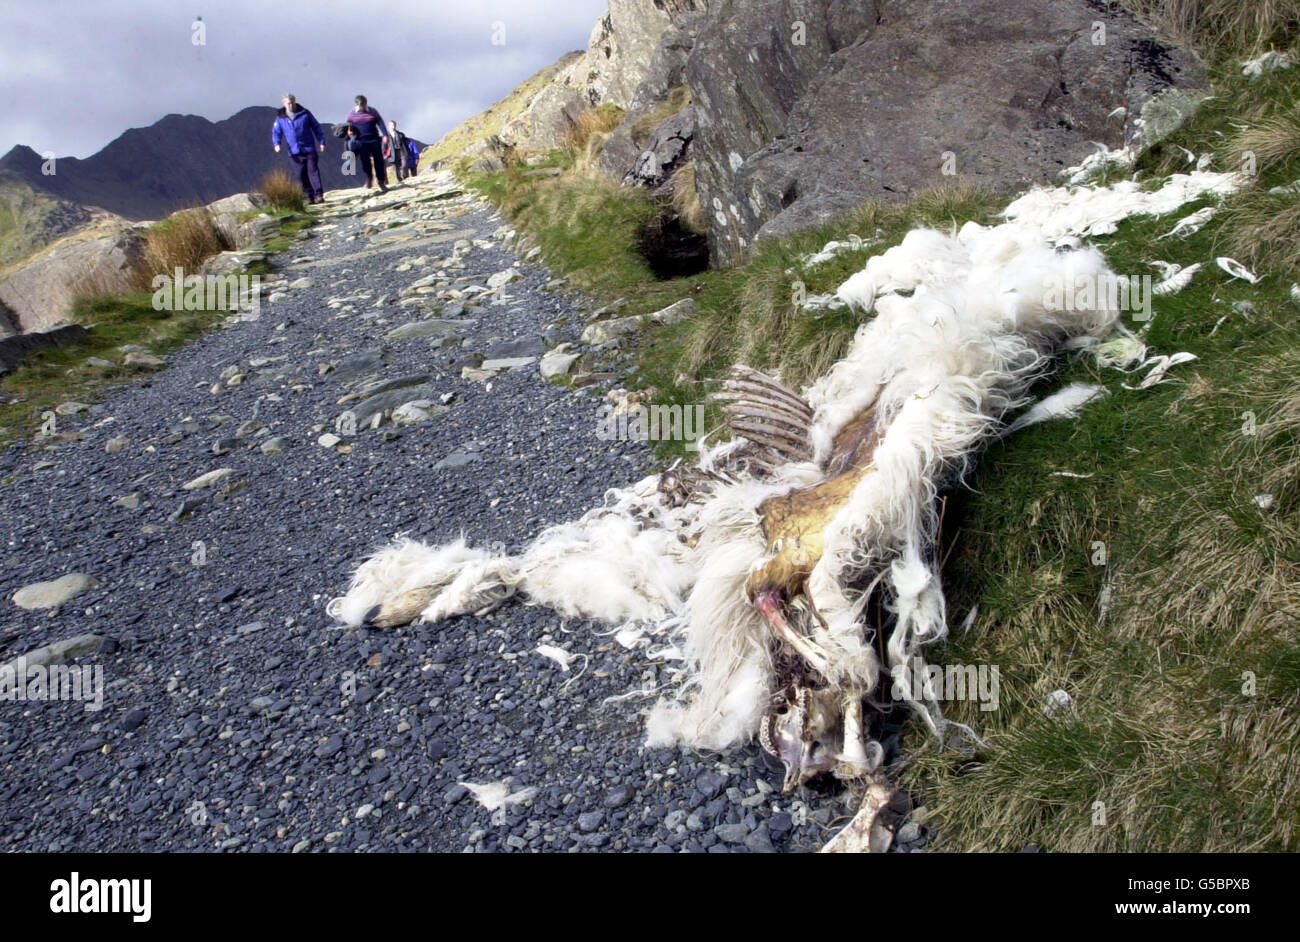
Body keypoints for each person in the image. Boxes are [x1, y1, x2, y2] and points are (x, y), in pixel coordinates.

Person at [271, 94, 326, 204]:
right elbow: (276, 132)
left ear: (295, 102)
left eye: (292, 102)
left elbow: (316, 127)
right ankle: (309, 197)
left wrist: (321, 141)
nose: (291, 105)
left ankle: (318, 195)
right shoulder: (280, 118)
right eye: (288, 103)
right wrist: (277, 144)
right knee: (301, 174)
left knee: (313, 171)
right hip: (294, 151)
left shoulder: (305, 113)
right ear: (284, 104)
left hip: (309, 148)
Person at [343, 95, 389, 193]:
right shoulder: (352, 114)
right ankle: (369, 178)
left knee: (379, 161)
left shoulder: (373, 111)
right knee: (365, 161)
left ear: (366, 103)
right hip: (361, 141)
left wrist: (385, 134)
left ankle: (381, 182)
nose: (362, 107)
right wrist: (349, 132)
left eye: (363, 104)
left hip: (374, 139)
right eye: (360, 105)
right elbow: (348, 125)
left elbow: (380, 123)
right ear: (357, 104)